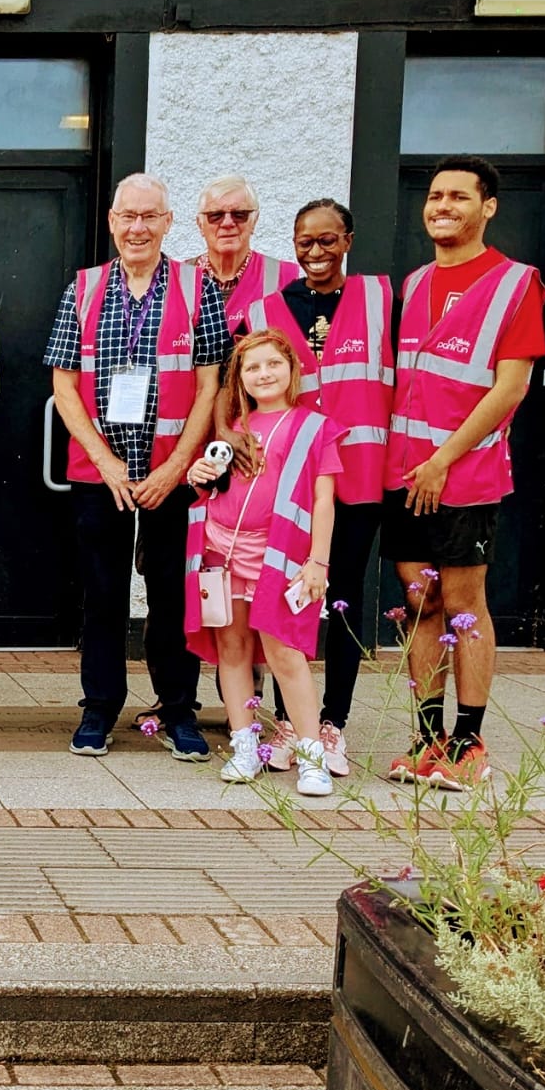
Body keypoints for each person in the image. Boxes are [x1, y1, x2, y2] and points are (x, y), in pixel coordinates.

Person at [45, 172, 233, 760]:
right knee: (101, 596)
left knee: (173, 597)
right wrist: (105, 464)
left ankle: (179, 711)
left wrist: (175, 468)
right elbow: (64, 383)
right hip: (101, 476)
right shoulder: (83, 288)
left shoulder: (197, 288)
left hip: (171, 478)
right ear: (111, 221)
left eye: (150, 216)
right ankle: (99, 709)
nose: (138, 227)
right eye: (128, 216)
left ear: (169, 222)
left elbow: (211, 386)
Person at [382, 156, 545, 790]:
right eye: (434, 195)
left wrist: (443, 459)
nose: (441, 205)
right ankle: (427, 740)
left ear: (488, 207)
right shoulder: (416, 281)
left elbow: (509, 389)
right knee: (419, 601)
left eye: (458, 196)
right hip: (406, 473)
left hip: (463, 475)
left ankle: (469, 741)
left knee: (462, 604)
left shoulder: (515, 283)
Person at [233, 199, 393, 778]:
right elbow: (239, 387)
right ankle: (285, 721)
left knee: (343, 598)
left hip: (363, 474)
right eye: (305, 241)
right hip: (288, 483)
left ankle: (332, 724)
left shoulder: (382, 299)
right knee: (283, 602)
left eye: (328, 240)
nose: (316, 251)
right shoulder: (265, 310)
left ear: (347, 239)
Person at [183, 330, 341, 797]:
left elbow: (324, 500)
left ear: (292, 369)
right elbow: (213, 488)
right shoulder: (231, 430)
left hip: (279, 560)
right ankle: (245, 746)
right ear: (240, 378)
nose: (263, 374)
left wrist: (318, 562)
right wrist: (198, 474)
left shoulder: (314, 427)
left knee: (284, 654)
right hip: (221, 552)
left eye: (273, 363)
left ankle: (312, 757)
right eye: (252, 368)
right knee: (232, 650)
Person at [193, 175, 304, 325]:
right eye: (215, 215)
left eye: (239, 215)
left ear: (254, 221)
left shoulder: (285, 278)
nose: (227, 223)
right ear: (200, 224)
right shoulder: (177, 280)